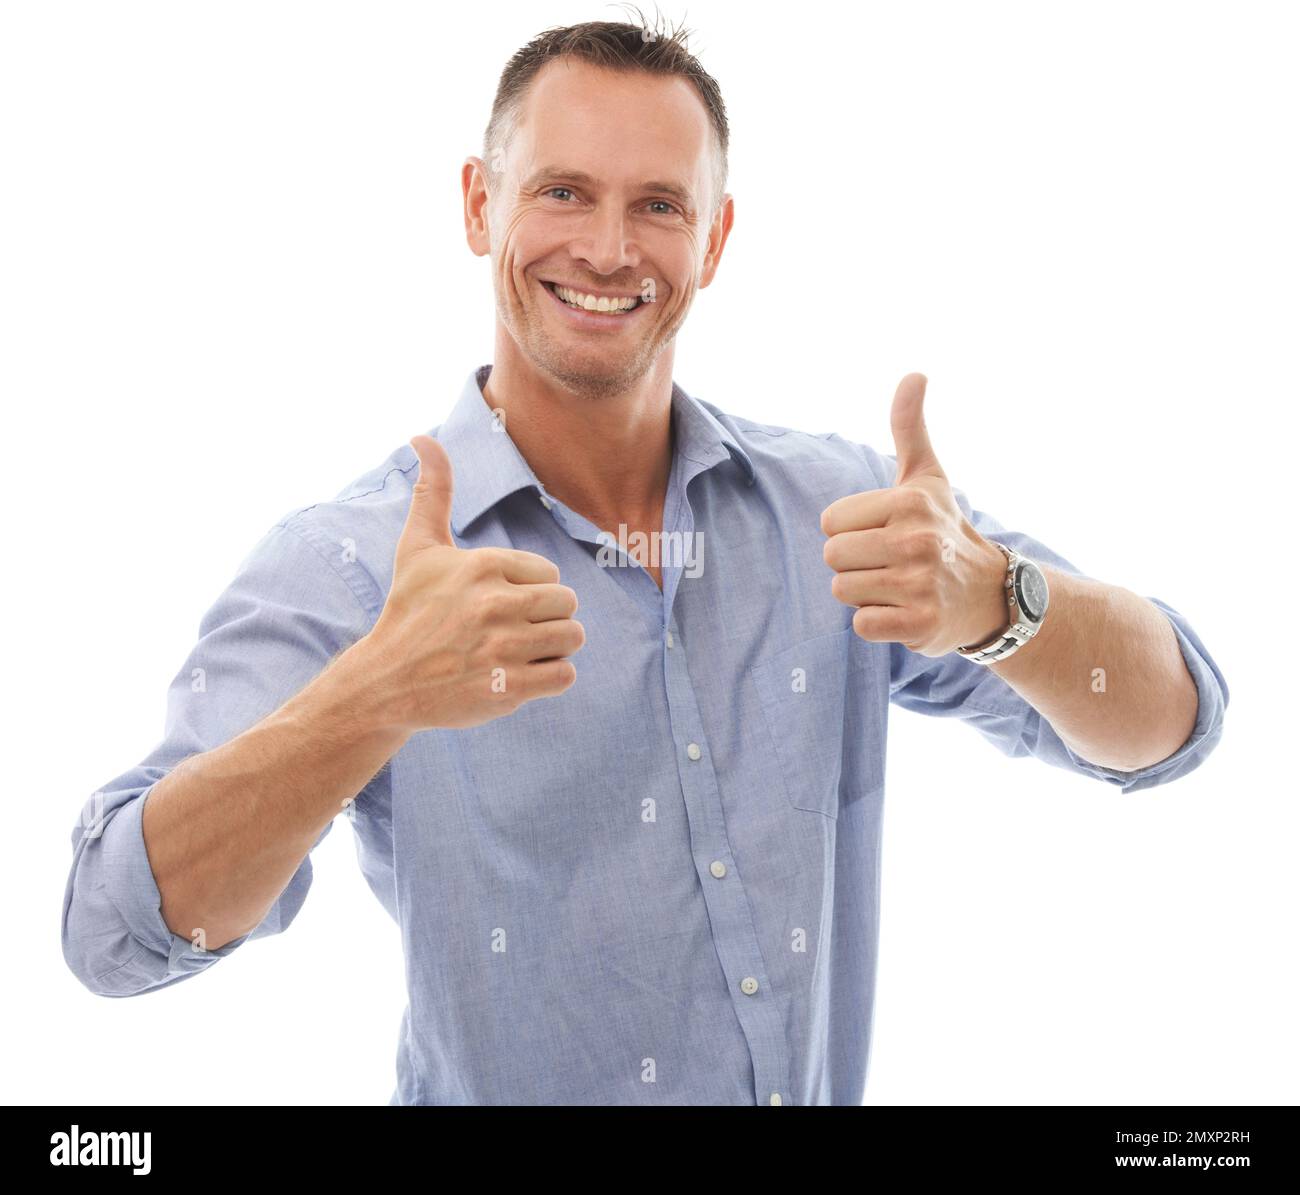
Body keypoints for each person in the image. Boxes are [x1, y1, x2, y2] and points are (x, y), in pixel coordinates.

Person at [62, 17, 1228, 1106]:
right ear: (479, 204)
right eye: (562, 191)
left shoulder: (843, 514)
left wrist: (998, 605)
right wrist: (372, 696)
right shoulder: (359, 564)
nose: (609, 250)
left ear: (714, 239)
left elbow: (1174, 722)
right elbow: (112, 931)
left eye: (660, 205)